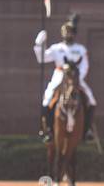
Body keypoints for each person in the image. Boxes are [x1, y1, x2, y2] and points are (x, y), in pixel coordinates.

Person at [35, 13, 96, 141]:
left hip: (75, 77)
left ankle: (87, 130)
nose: (68, 34)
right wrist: (39, 44)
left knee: (91, 99)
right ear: (62, 33)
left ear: (74, 34)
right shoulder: (57, 48)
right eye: (66, 32)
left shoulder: (80, 49)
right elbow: (42, 58)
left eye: (71, 32)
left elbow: (84, 66)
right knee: (47, 98)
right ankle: (46, 130)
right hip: (60, 75)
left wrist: (78, 78)